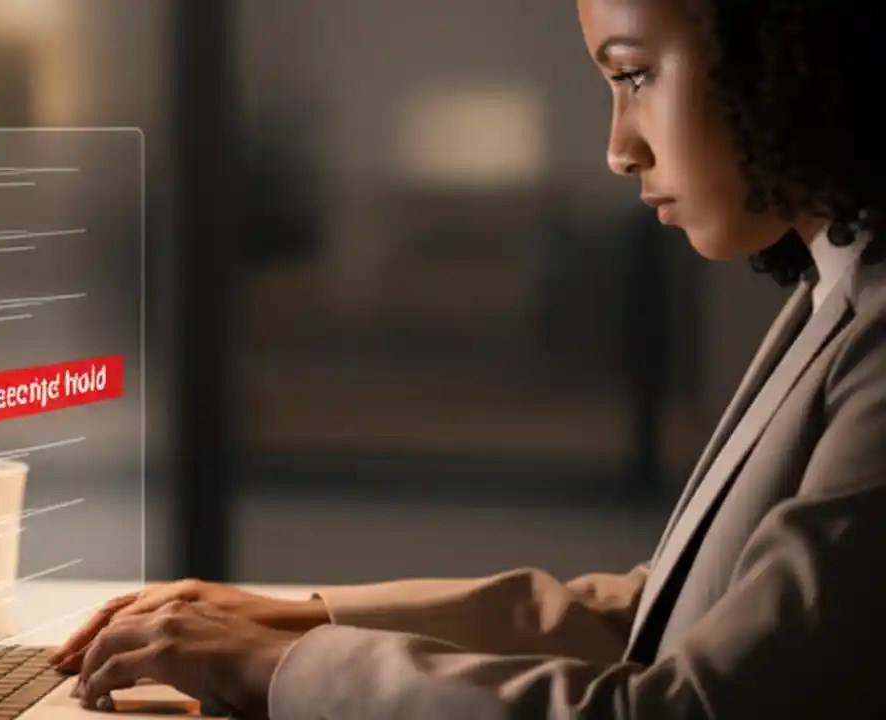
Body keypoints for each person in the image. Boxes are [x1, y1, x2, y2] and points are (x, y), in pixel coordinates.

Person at [51, 0, 886, 716]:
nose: (619, 147)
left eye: (633, 76)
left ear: (784, 54)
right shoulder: (835, 294)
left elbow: (688, 706)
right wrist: (295, 624)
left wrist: (272, 667)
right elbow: (662, 613)